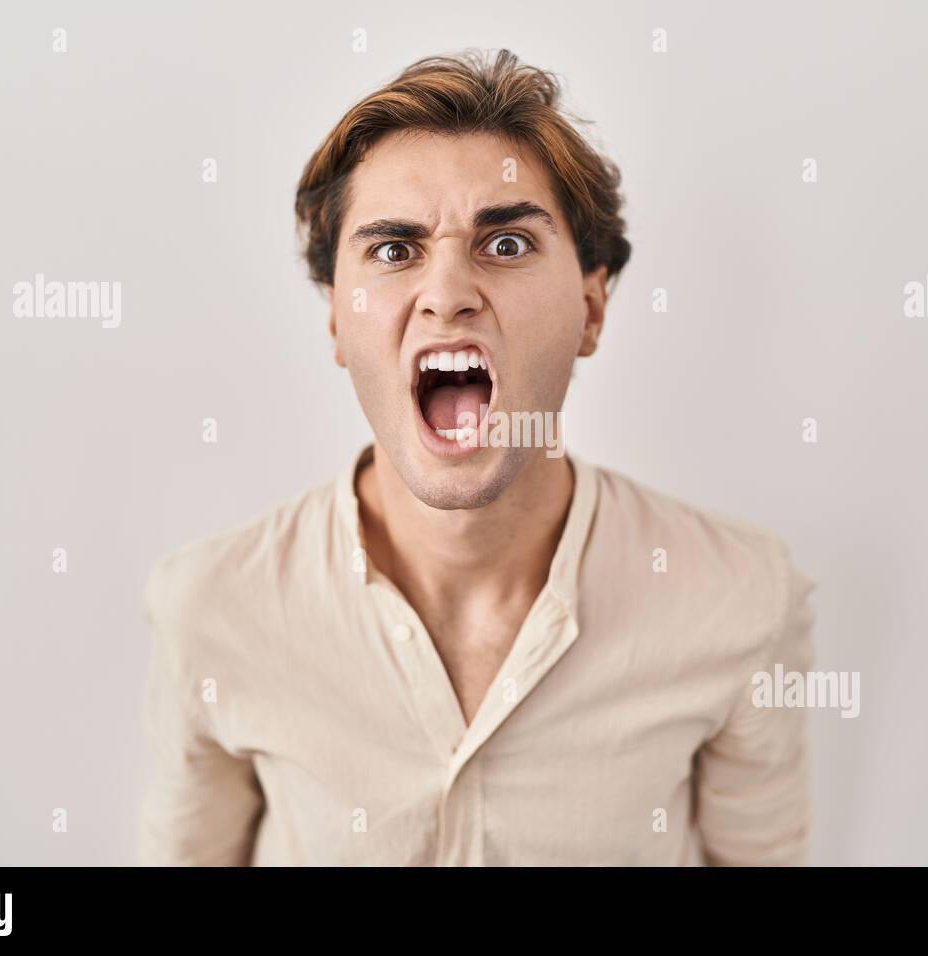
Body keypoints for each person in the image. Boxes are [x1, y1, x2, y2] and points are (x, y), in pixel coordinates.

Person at [138, 48, 817, 866]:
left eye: (505, 244)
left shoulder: (739, 599)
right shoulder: (213, 607)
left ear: (592, 308)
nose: (449, 291)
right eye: (393, 250)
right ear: (334, 324)